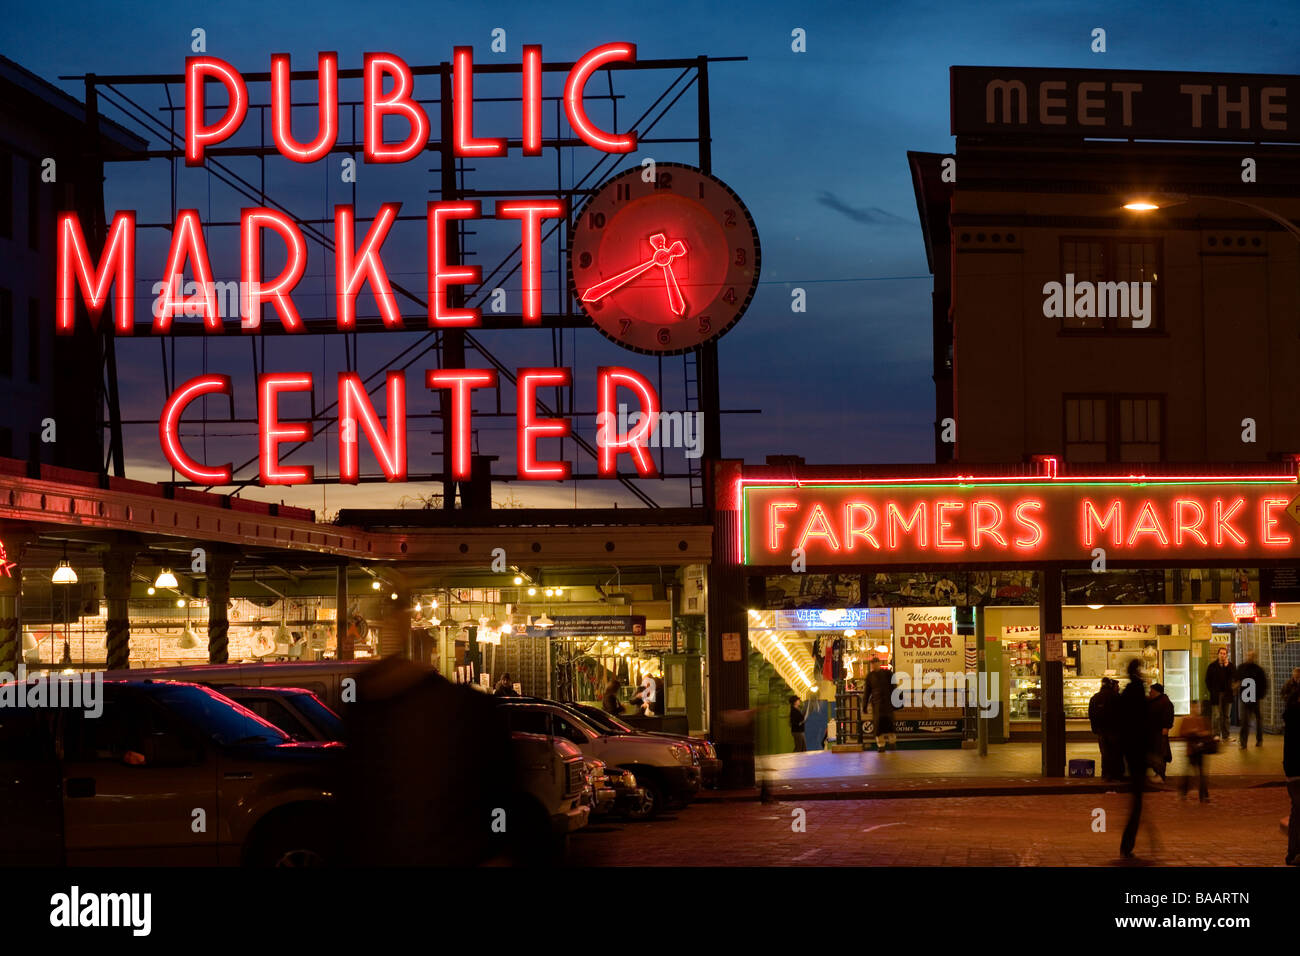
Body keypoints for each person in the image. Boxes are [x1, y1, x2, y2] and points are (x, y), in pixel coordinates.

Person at [1118, 659, 1150, 858]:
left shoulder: (1126, 692)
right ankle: (1127, 842)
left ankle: (1128, 841)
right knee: (1137, 800)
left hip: (1129, 749)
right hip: (1138, 749)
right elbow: (1143, 721)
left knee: (1137, 798)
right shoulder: (1138, 691)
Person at [1089, 678, 1123, 780]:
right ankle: (1117, 775)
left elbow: (1091, 715)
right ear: (1111, 686)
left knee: (1105, 753)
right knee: (1116, 752)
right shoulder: (1117, 697)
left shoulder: (1095, 698)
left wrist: (1095, 729)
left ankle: (1106, 774)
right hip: (1115, 730)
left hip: (1101, 731)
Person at [1180, 700, 1214, 802]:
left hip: (1201, 750)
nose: (1195, 709)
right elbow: (1181, 733)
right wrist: (1191, 732)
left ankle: (1203, 795)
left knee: (1202, 774)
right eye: (1193, 707)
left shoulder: (1203, 719)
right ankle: (1184, 791)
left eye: (1197, 707)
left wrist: (1202, 733)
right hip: (1191, 750)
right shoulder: (1186, 720)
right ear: (1190, 708)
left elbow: (1209, 732)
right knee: (1189, 774)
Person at [1236, 651, 1269, 748]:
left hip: (1255, 698)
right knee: (1245, 721)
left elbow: (1263, 684)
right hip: (1245, 698)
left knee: (1258, 720)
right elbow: (1237, 681)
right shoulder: (1242, 668)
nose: (1249, 657)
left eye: (1251, 656)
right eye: (1248, 655)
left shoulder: (1258, 670)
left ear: (1254, 657)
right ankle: (1243, 743)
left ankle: (1259, 739)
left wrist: (1260, 695)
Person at [1283, 683, 1300, 866]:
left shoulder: (1290, 716)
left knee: (1296, 811)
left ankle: (1293, 852)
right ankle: (1294, 852)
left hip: (1291, 770)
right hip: (1296, 769)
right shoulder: (1296, 716)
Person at [865, 658, 896, 752]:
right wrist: (864, 705)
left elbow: (894, 687)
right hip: (878, 704)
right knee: (879, 727)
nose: (874, 665)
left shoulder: (887, 674)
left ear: (879, 663)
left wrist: (896, 701)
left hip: (886, 703)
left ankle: (892, 743)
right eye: (872, 664)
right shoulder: (870, 676)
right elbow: (867, 692)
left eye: (875, 663)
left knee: (889, 726)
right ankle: (881, 745)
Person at [1205, 646, 1235, 740]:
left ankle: (1226, 735)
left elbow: (1234, 677)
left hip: (1227, 694)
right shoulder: (1212, 666)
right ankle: (1216, 734)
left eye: (1224, 653)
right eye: (1221, 653)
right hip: (1216, 695)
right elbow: (1207, 680)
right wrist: (1212, 690)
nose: (1222, 655)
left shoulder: (1230, 666)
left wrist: (1226, 667)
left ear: (1226, 655)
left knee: (1226, 716)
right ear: (1218, 654)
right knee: (1217, 715)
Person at [1147, 682, 1174, 781]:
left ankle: (1160, 774)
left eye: (1151, 690)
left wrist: (1166, 728)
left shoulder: (1165, 702)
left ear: (1156, 691)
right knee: (1156, 752)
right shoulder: (1154, 701)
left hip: (1159, 732)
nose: (1149, 692)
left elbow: (1168, 717)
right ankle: (1158, 773)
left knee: (1160, 753)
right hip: (1153, 731)